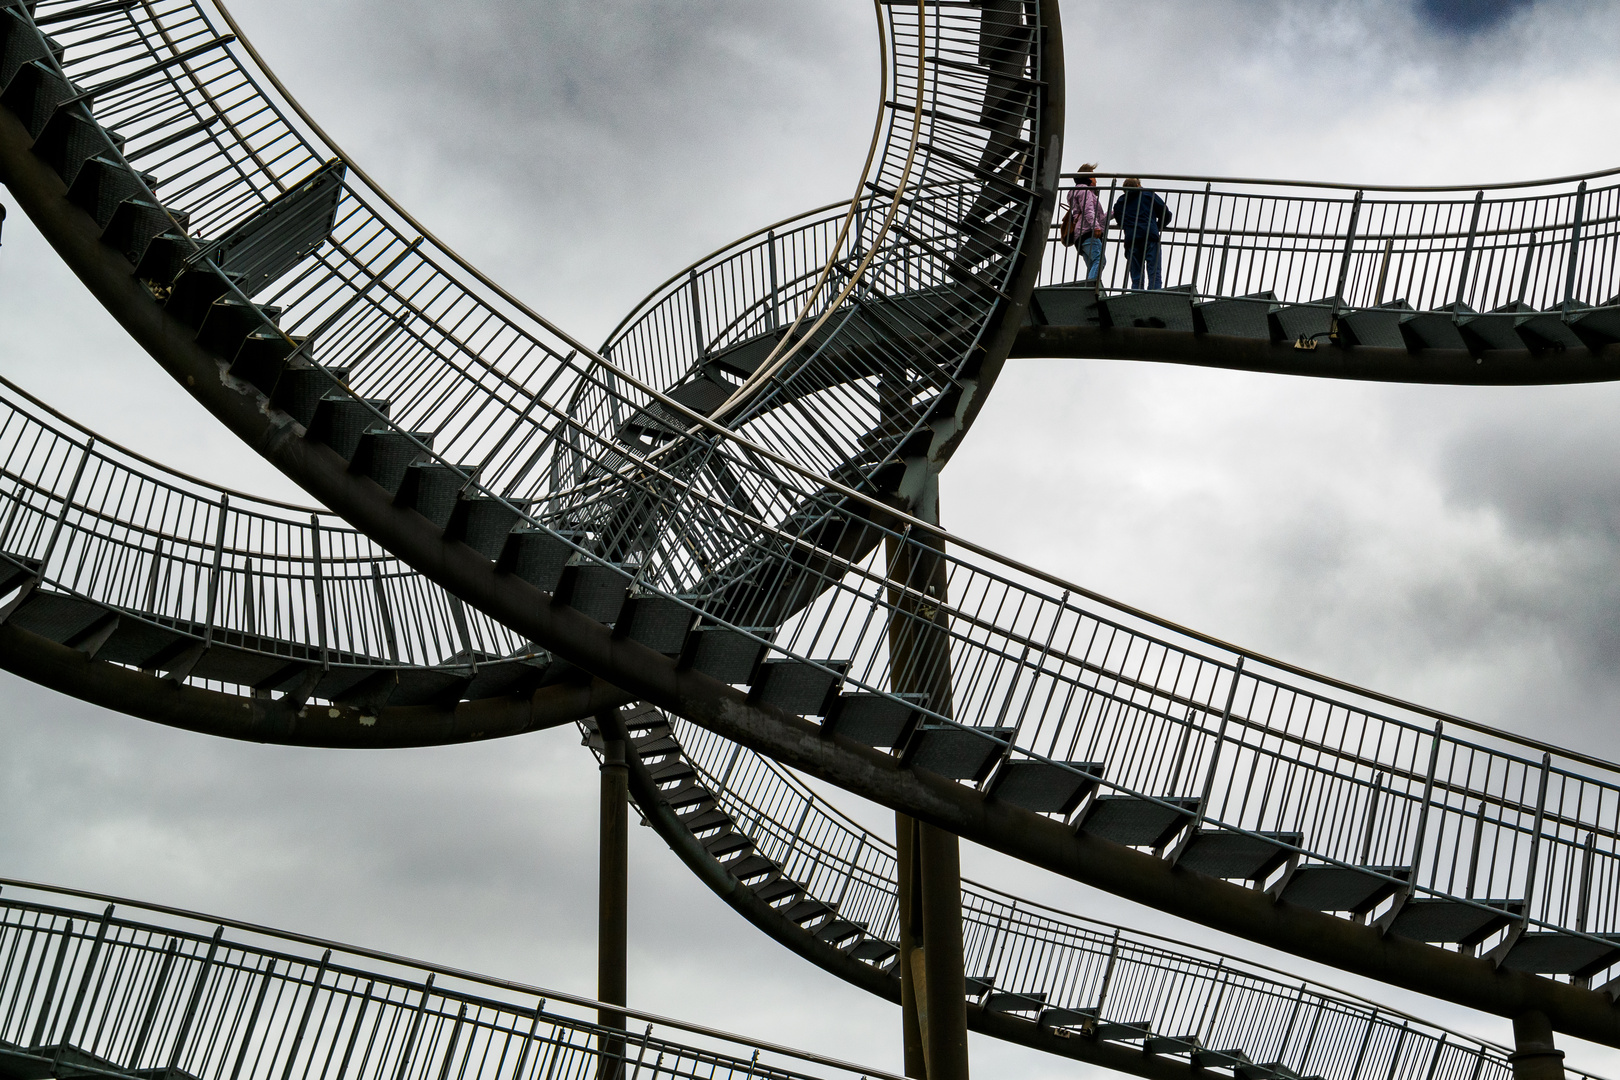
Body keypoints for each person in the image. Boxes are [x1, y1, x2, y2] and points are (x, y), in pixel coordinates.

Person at [1110, 178, 1171, 290]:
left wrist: (1128, 227)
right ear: (1138, 185)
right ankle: (1154, 295)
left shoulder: (1121, 202)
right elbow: (1165, 212)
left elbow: (1120, 221)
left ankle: (1136, 297)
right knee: (1154, 273)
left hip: (1131, 239)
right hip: (1149, 236)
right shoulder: (1148, 194)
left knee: (1136, 277)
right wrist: (1157, 227)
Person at [1065, 165, 1106, 282]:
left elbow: (1097, 216)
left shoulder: (1078, 191)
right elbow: (1088, 211)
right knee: (1100, 260)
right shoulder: (1085, 191)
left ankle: (1089, 287)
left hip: (1080, 234)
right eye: (1093, 177)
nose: (1096, 180)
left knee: (1093, 264)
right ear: (1088, 177)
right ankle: (1089, 290)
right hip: (1087, 232)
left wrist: (1114, 213)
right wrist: (1096, 227)